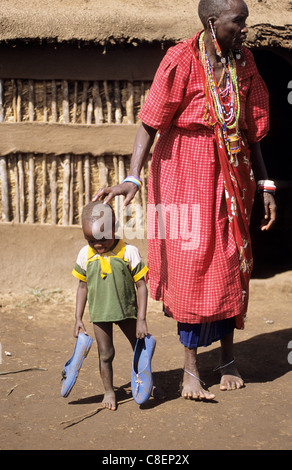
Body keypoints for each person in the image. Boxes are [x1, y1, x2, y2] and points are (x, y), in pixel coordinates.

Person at [93, 0, 276, 401]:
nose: (245, 28)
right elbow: (150, 122)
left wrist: (265, 185)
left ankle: (227, 358)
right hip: (182, 172)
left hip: (232, 174)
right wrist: (132, 177)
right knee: (190, 267)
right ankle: (190, 369)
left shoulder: (244, 63)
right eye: (238, 21)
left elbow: (251, 131)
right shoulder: (180, 58)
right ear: (213, 23)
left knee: (230, 262)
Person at [72, 201, 148, 410]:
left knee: (140, 348)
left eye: (103, 239)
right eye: (90, 240)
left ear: (114, 229)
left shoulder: (128, 251)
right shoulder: (85, 255)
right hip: (100, 314)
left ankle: (147, 384)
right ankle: (109, 391)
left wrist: (141, 319)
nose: (98, 245)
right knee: (105, 354)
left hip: (127, 312)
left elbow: (141, 286)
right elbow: (82, 287)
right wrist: (78, 318)